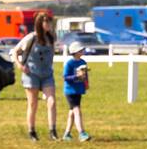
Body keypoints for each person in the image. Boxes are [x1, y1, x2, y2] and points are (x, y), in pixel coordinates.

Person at [14, 11, 58, 140]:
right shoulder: (31, 38)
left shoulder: (51, 38)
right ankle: (32, 132)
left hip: (47, 74)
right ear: (40, 23)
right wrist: (19, 65)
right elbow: (16, 51)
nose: (49, 24)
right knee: (33, 104)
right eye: (46, 22)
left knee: (52, 101)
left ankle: (53, 132)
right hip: (31, 74)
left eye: (50, 22)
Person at [62, 40, 92, 142]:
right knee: (77, 110)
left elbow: (85, 75)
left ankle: (67, 134)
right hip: (70, 91)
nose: (83, 51)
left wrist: (86, 83)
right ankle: (81, 133)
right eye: (80, 50)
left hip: (79, 90)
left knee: (72, 112)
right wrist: (76, 76)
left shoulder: (83, 62)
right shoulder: (69, 63)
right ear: (75, 52)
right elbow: (65, 77)